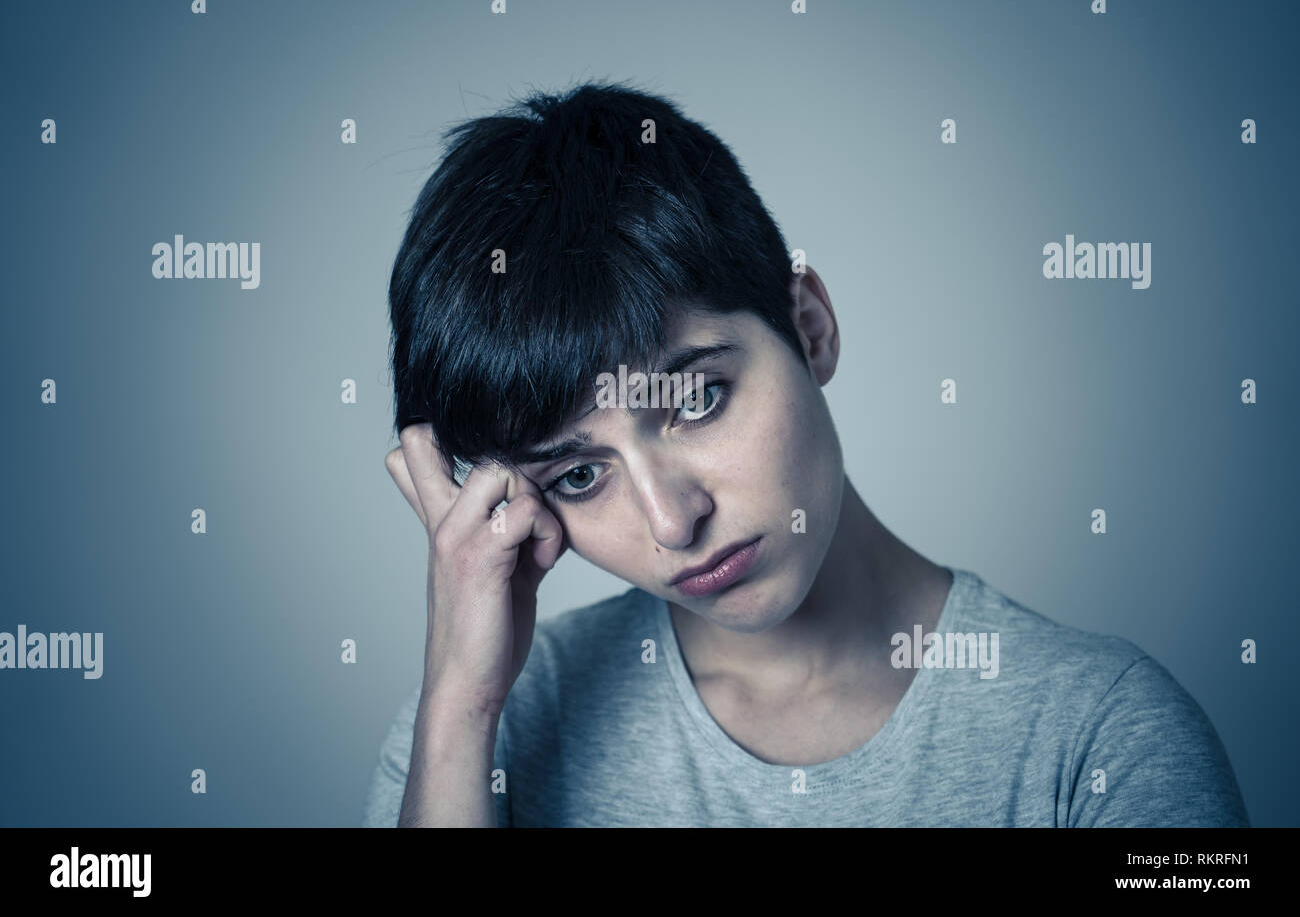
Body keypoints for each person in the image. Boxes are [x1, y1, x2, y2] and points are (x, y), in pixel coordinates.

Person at [363, 80, 1249, 827]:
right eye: (580, 475)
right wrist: (461, 711)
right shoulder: (475, 738)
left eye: (698, 399)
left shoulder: (1106, 736)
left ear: (810, 328)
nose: (674, 520)